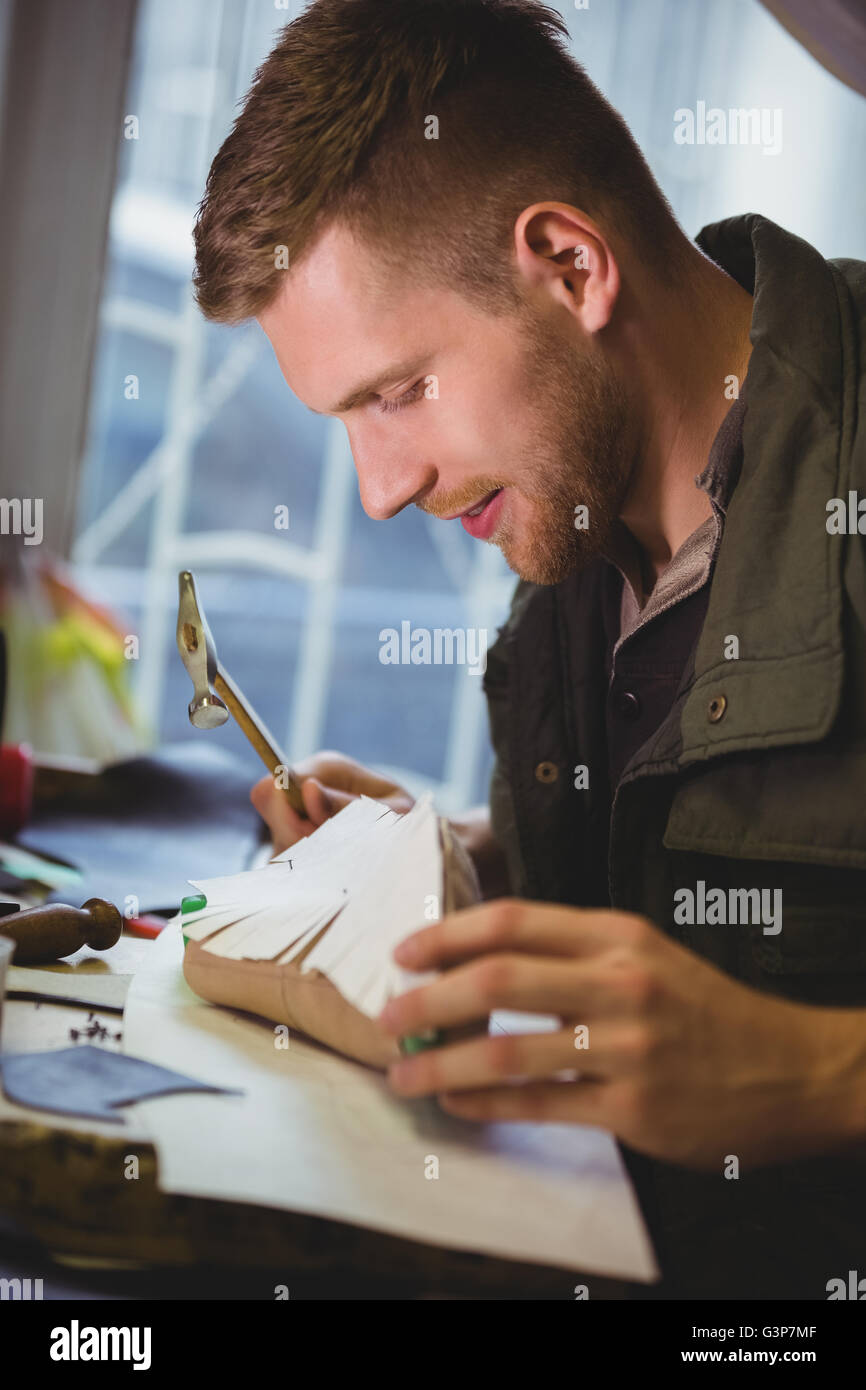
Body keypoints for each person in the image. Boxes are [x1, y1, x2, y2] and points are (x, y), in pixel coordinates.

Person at [192, 0, 866, 1298]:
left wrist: (815, 1069)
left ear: (567, 263)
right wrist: (450, 865)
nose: (379, 488)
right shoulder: (568, 501)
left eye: (396, 394)